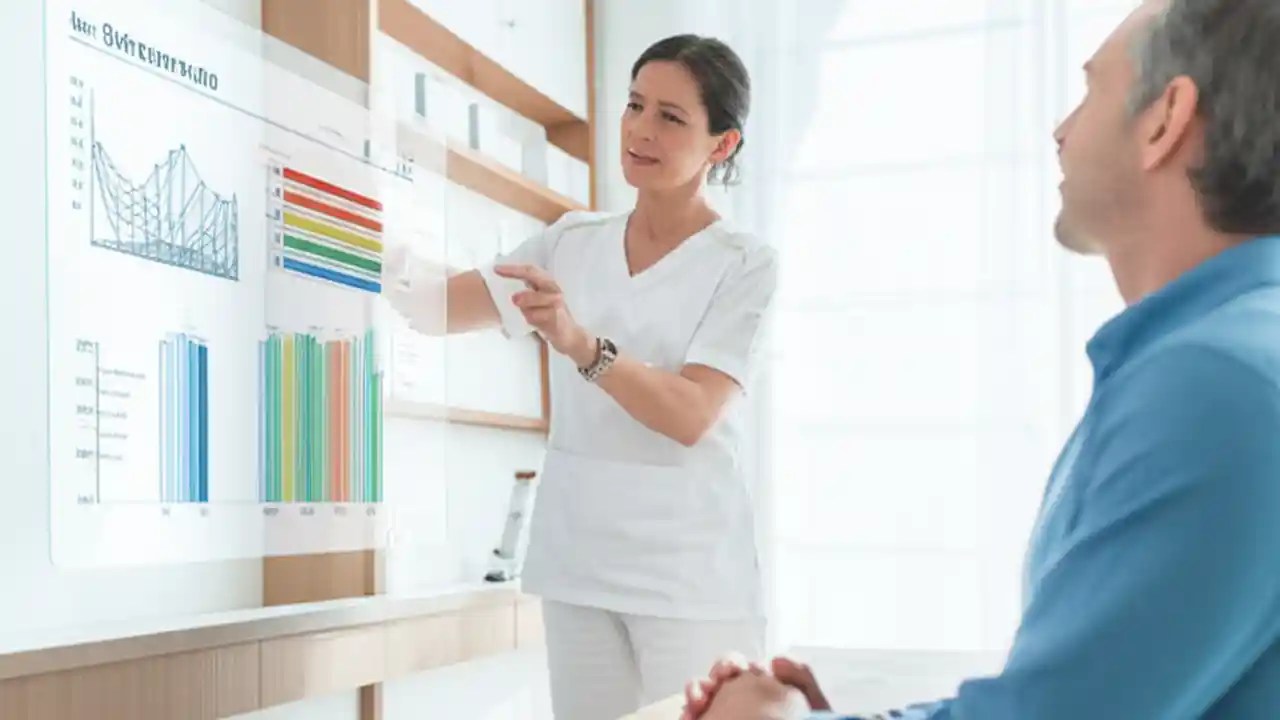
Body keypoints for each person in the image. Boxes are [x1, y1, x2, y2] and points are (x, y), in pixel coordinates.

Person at [681, 0, 1280, 718]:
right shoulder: (1228, 357)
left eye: (1091, 90)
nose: (1060, 131)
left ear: (1165, 119)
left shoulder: (1213, 385)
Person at [383, 34, 776, 720]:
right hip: (579, 567)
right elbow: (434, 308)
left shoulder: (744, 263)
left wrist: (579, 342)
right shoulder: (570, 242)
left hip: (688, 585)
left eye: (671, 117)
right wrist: (368, 227)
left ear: (722, 145)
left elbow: (689, 413)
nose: (640, 130)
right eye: (634, 105)